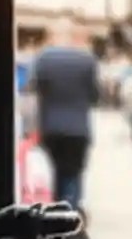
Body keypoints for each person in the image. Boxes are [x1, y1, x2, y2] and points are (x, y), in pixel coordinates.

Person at [26, 19, 101, 209]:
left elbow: (32, 88)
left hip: (50, 127)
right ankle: (70, 211)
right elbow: (95, 95)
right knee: (73, 173)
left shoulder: (42, 58)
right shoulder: (87, 60)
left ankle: (57, 211)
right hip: (78, 128)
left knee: (55, 172)